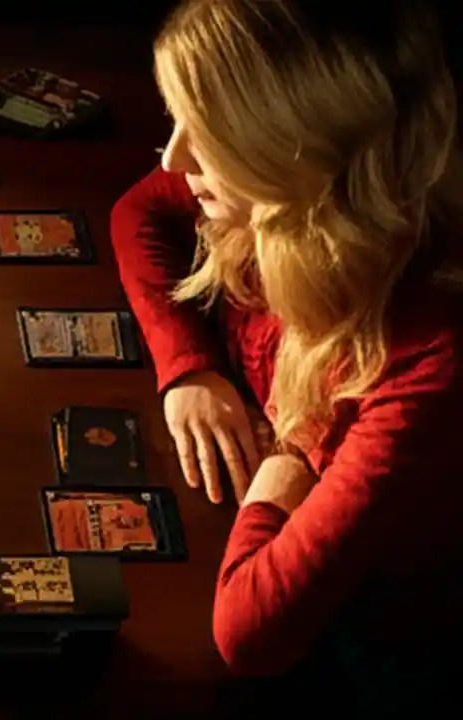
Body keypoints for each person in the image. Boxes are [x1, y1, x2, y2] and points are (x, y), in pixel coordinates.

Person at [110, 0, 463, 704]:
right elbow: (137, 211)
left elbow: (250, 635)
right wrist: (189, 367)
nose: (174, 155)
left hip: (379, 638)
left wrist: (288, 453)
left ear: (289, 145)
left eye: (207, 134)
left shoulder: (433, 356)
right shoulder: (293, 204)